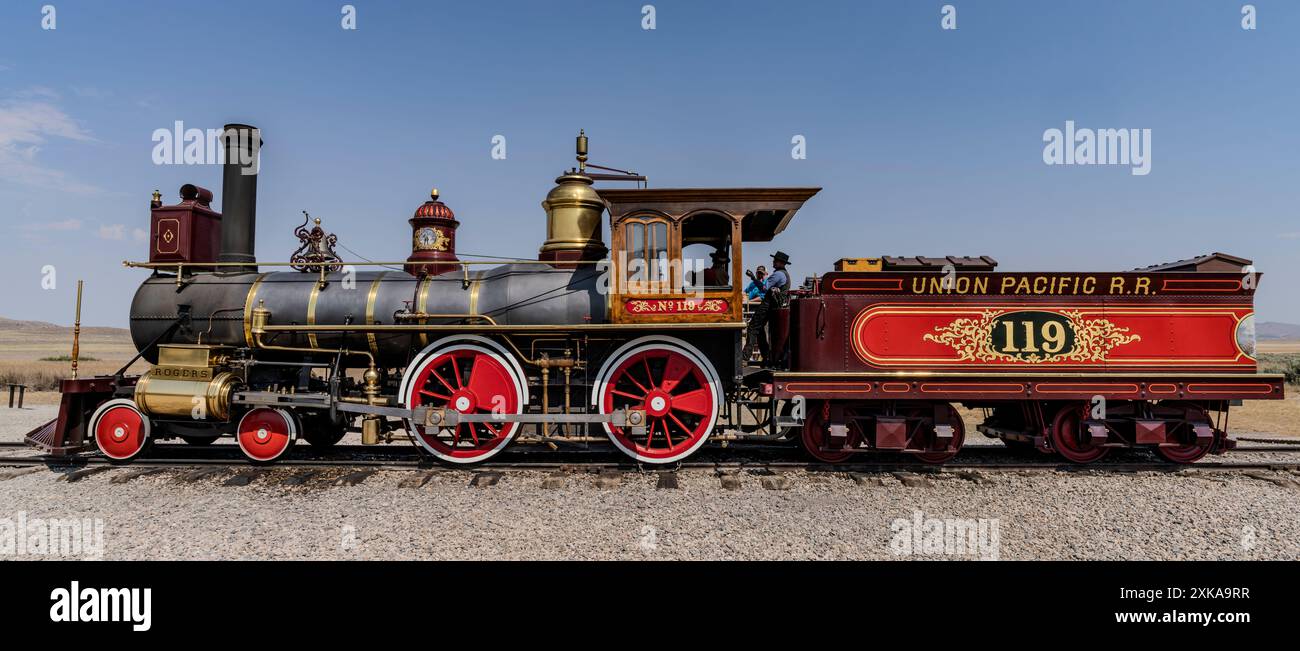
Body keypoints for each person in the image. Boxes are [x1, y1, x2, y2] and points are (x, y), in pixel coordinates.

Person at [745, 251, 791, 366]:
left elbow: (764, 288)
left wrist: (753, 278)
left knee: (752, 327)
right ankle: (766, 357)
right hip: (774, 305)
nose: (773, 262)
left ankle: (744, 357)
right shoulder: (784, 274)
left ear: (781, 262)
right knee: (759, 330)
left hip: (768, 304)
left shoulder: (778, 274)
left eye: (775, 260)